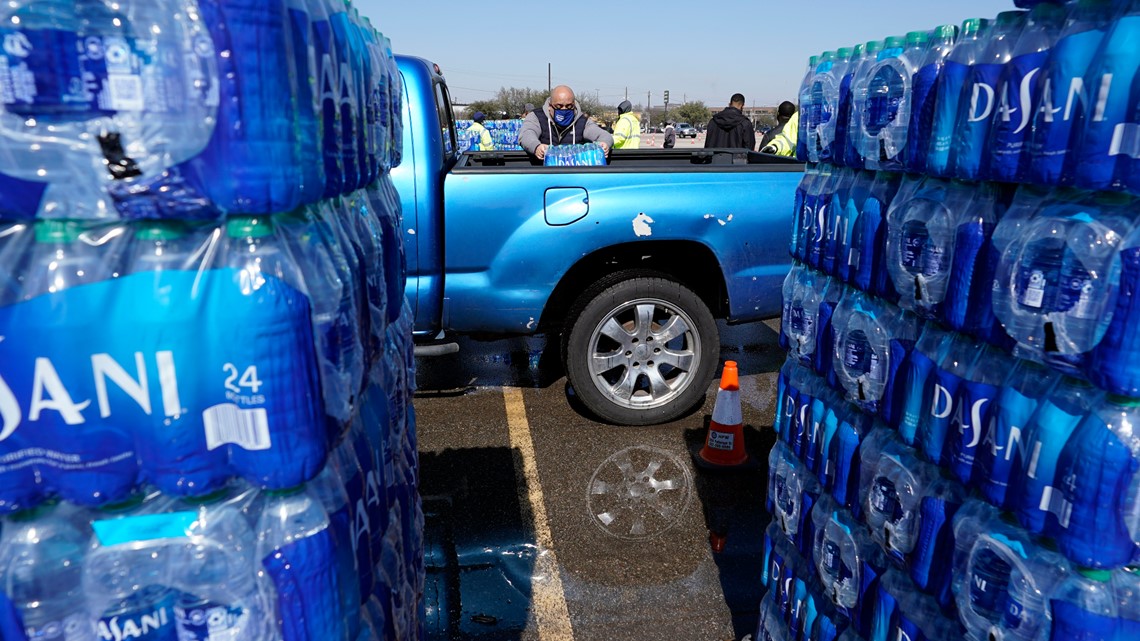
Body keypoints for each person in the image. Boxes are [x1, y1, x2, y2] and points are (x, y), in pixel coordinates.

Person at [519, 85, 613, 162]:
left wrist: (604, 144)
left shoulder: (582, 121)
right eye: (559, 106)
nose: (564, 110)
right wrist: (536, 147)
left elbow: (603, 135)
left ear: (574, 105)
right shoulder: (536, 117)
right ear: (549, 106)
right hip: (545, 173)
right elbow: (527, 134)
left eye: (569, 106)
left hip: (573, 173)